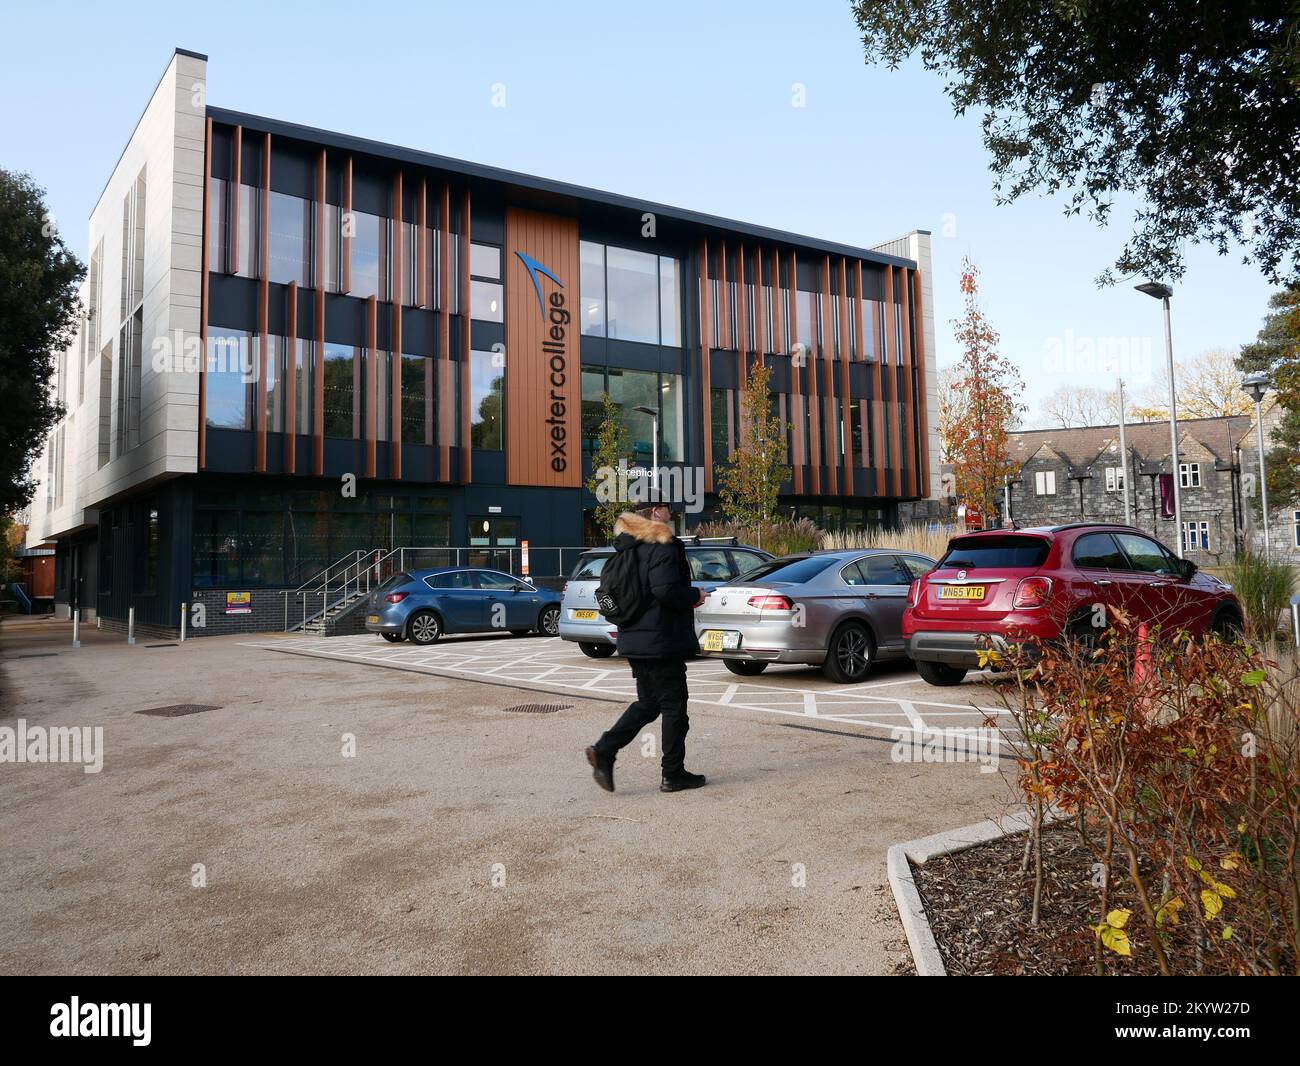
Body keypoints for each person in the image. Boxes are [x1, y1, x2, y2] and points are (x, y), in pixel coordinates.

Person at [585, 501, 706, 794]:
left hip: (634, 640)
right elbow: (664, 590)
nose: (671, 515)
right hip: (661, 640)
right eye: (667, 510)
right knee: (675, 707)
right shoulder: (662, 544)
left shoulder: (628, 546)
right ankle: (672, 774)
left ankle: (605, 749)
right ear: (655, 513)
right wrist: (694, 594)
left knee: (649, 704)